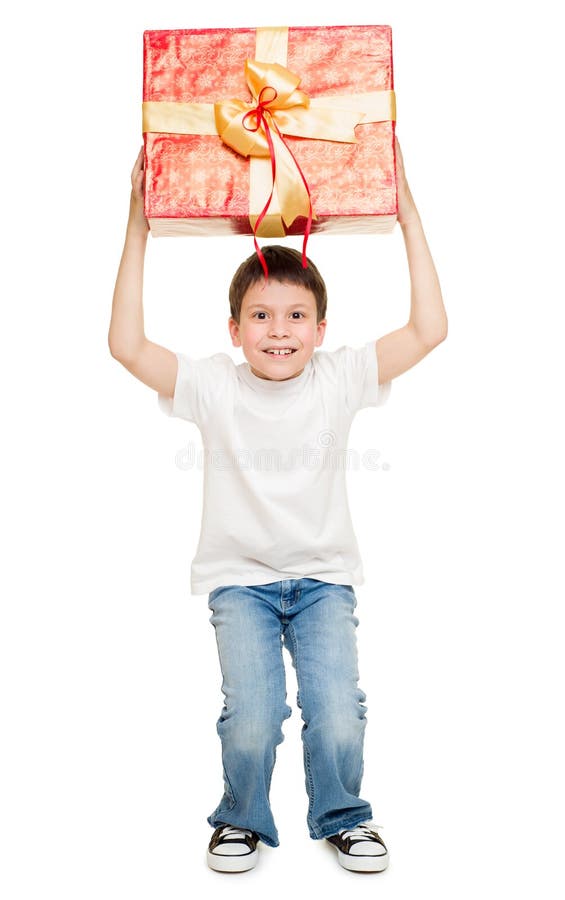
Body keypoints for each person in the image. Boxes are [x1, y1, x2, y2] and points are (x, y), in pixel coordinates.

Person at [108, 137, 448, 873]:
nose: (279, 331)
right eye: (260, 317)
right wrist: (137, 223)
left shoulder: (339, 377)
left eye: (296, 317)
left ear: (321, 330)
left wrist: (407, 213)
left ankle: (341, 815)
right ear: (233, 331)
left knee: (336, 717)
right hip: (241, 583)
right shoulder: (212, 385)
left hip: (323, 580)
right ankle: (241, 818)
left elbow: (428, 331)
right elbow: (127, 345)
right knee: (253, 721)